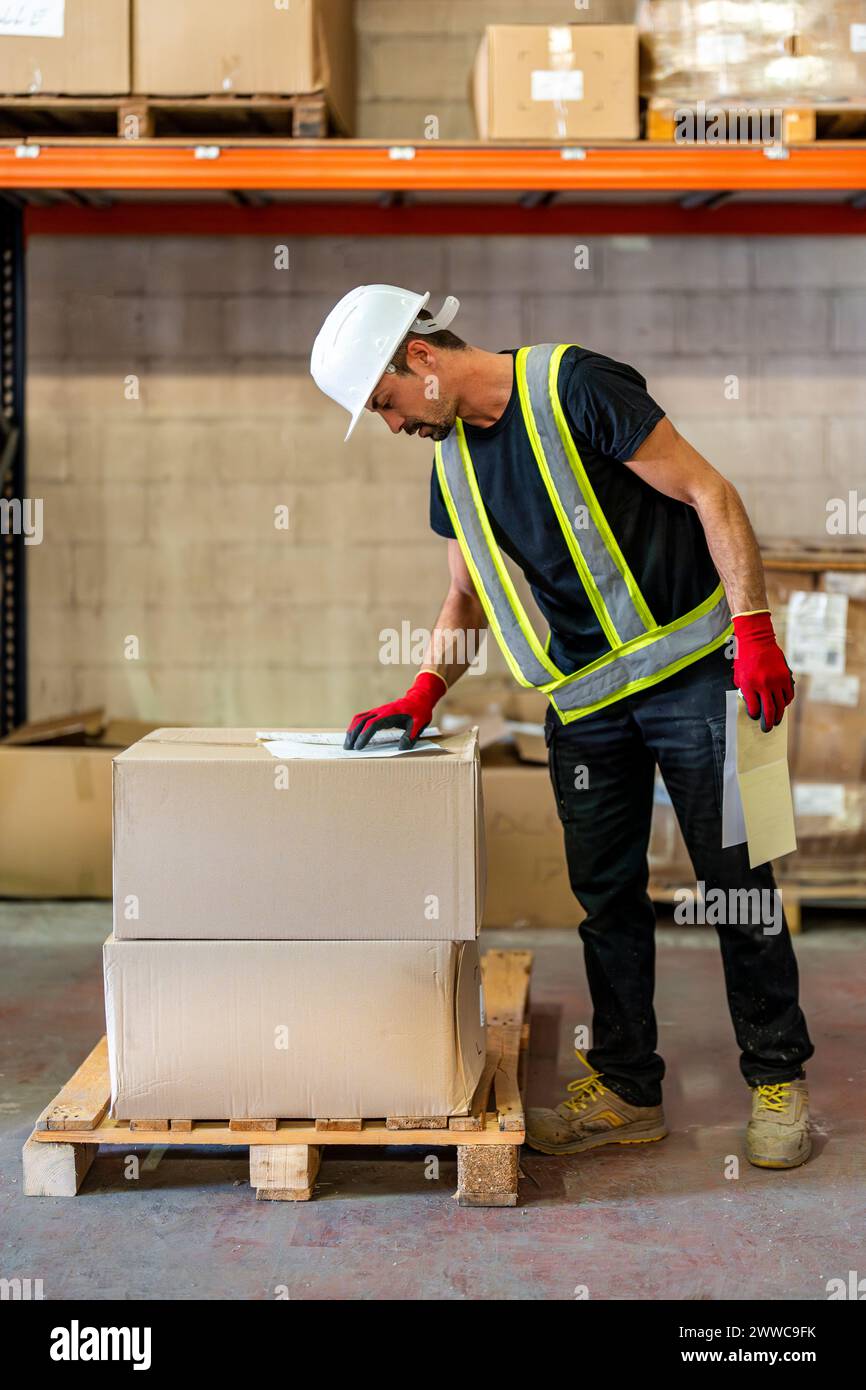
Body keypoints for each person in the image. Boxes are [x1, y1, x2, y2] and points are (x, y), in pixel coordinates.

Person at [310, 284, 813, 1169]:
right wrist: (425, 686)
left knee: (737, 880)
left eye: (385, 404)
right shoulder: (452, 465)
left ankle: (778, 1080)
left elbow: (710, 491)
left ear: (419, 358)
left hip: (695, 677)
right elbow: (465, 593)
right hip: (585, 707)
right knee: (606, 901)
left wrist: (755, 630)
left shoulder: (572, 386)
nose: (391, 426)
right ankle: (628, 1088)